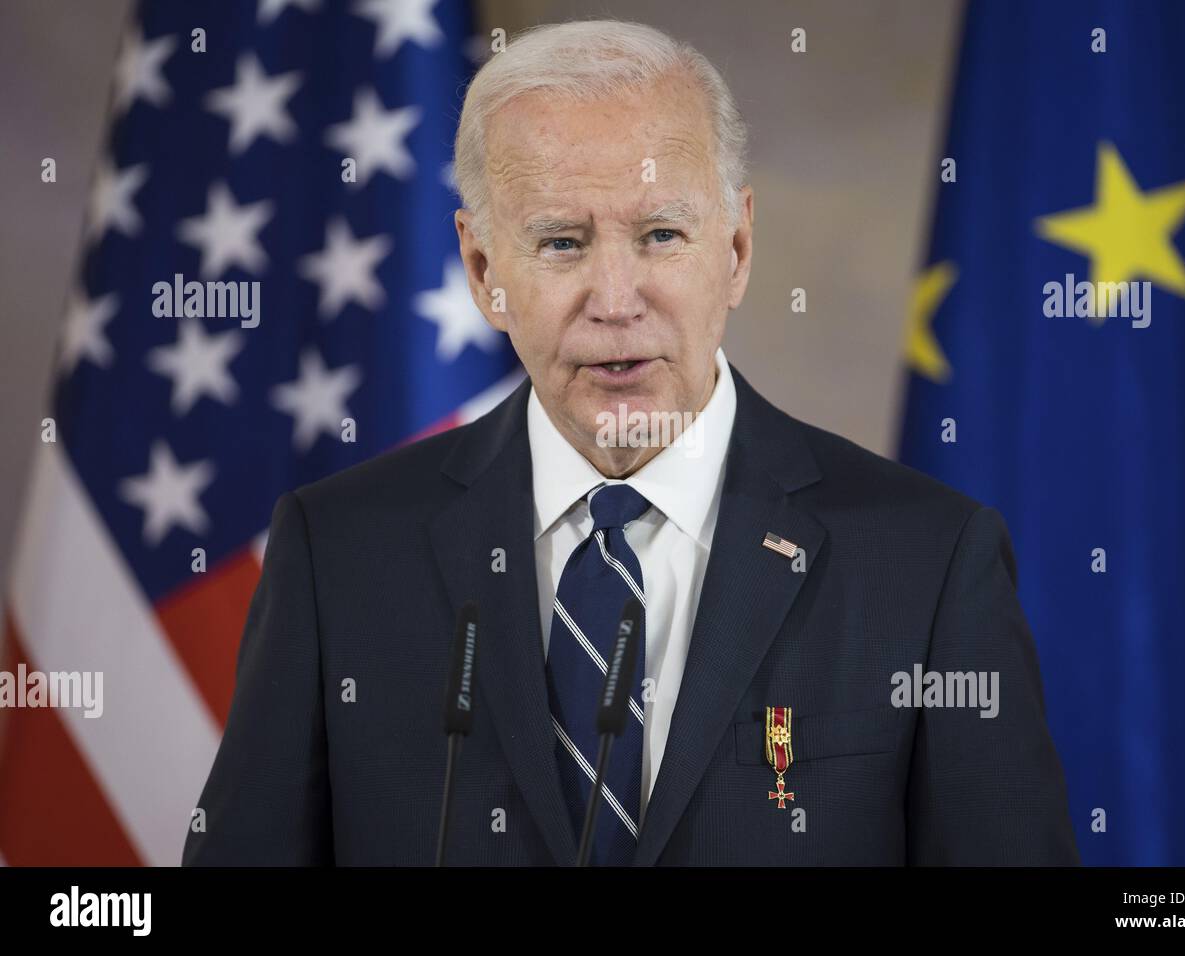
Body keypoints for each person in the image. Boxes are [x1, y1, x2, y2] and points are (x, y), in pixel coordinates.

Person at [183, 19, 1078, 866]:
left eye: (660, 235)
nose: (616, 300)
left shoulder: (925, 562)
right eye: (561, 243)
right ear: (484, 272)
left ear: (736, 249)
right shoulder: (339, 555)